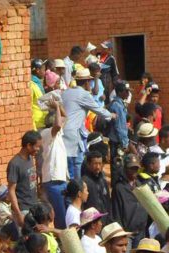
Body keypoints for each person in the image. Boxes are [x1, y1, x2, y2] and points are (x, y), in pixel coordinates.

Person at [61, 69, 114, 179]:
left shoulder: (66, 92)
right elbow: (97, 109)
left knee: (67, 162)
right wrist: (111, 115)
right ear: (86, 82)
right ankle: (78, 185)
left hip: (63, 131)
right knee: (77, 162)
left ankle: (71, 184)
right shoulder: (84, 94)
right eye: (90, 82)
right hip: (74, 133)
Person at [39, 99, 68, 229]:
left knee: (63, 212)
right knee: (60, 215)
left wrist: (59, 106)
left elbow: (65, 117)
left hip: (59, 179)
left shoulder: (57, 133)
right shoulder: (46, 133)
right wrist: (56, 107)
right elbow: (58, 125)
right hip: (53, 180)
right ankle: (61, 237)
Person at [6, 131, 43, 225]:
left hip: (34, 207)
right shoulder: (14, 164)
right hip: (23, 210)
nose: (38, 149)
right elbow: (11, 190)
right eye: (37, 146)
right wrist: (18, 214)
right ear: (29, 145)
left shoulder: (30, 159)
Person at [81, 150, 112, 218]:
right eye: (95, 164)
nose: (98, 167)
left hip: (105, 219)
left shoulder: (103, 181)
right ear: (88, 164)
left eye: (100, 163)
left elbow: (108, 202)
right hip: (91, 220)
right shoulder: (84, 182)